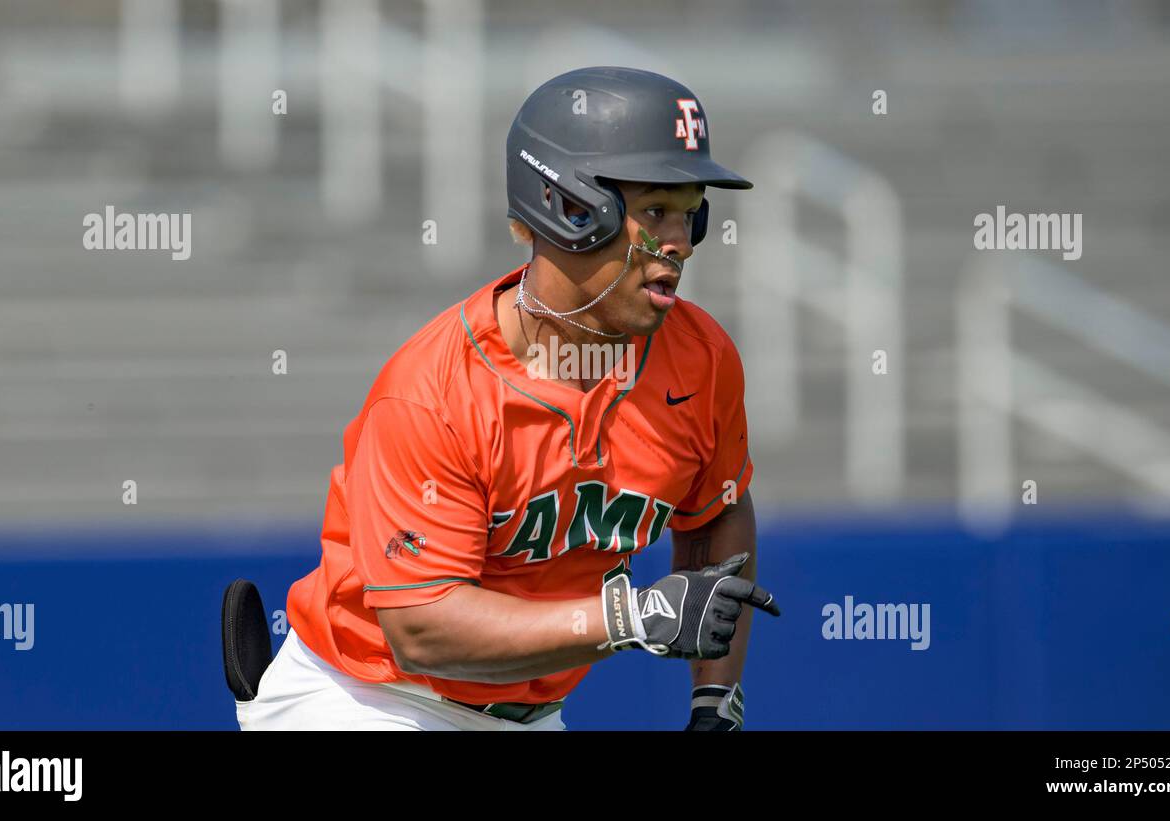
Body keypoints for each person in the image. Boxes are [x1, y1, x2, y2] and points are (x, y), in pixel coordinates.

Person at [237, 66, 779, 731]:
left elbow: (717, 511)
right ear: (569, 208)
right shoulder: (433, 390)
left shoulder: (703, 360)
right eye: (656, 210)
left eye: (691, 211)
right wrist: (629, 617)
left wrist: (715, 699)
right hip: (368, 695)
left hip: (529, 712)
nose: (681, 243)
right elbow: (422, 628)